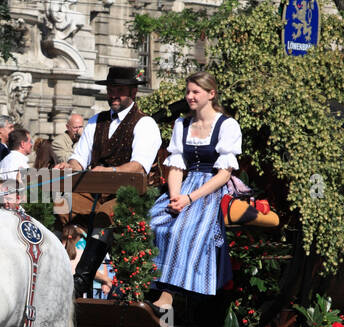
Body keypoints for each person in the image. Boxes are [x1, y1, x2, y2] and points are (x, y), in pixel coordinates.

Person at [56, 66, 164, 297]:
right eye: (111, 89)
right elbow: (79, 159)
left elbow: (138, 167)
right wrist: (68, 167)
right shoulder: (96, 121)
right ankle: (55, 270)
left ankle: (82, 278)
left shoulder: (145, 124)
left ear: (133, 93)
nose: (114, 94)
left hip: (130, 195)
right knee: (57, 200)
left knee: (107, 214)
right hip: (95, 191)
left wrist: (108, 171)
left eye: (120, 90)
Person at [148, 71, 239, 313]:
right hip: (184, 185)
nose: (190, 96)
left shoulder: (226, 125)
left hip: (210, 189)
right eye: (188, 91)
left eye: (195, 92)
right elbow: (176, 166)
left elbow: (224, 174)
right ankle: (144, 284)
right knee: (153, 222)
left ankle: (168, 295)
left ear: (211, 94)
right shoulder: (182, 123)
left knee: (184, 229)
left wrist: (190, 198)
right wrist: (176, 196)